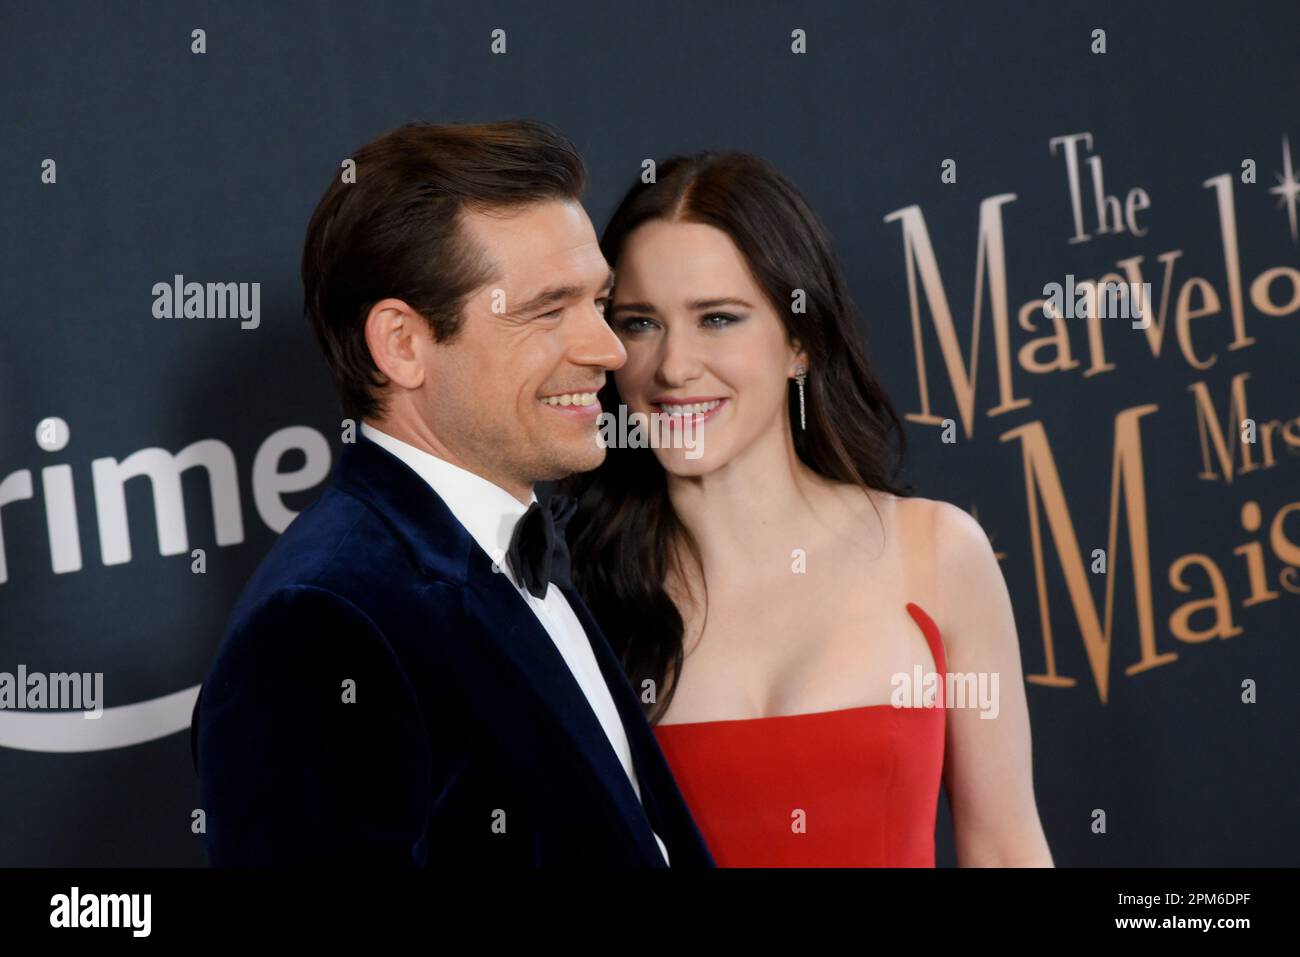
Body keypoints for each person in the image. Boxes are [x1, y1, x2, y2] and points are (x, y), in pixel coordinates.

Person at [192, 120, 714, 867]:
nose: (608, 349)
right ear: (403, 344)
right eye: (546, 310)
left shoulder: (518, 547)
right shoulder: (320, 624)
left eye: (598, 302)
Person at [564, 151, 1054, 867]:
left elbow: (1007, 849)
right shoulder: (575, 595)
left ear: (799, 341)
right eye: (640, 323)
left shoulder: (938, 551)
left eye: (719, 318)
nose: (672, 366)